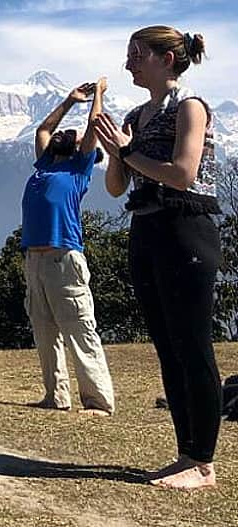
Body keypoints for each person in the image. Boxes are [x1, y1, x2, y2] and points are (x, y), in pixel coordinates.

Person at [95, 27, 222, 490]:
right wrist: (116, 154)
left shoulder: (190, 106)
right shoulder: (136, 114)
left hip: (186, 227)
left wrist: (129, 151)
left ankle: (203, 463)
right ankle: (186, 453)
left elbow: (184, 174)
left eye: (137, 55)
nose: (129, 64)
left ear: (167, 59)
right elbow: (115, 187)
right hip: (147, 228)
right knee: (168, 349)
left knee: (192, 346)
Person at [21, 79, 115, 415]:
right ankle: (55, 396)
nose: (65, 134)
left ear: (79, 148)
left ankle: (98, 401)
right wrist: (69, 100)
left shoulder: (79, 168)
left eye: (71, 135)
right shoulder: (46, 163)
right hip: (35, 258)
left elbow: (92, 127)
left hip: (64, 257)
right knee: (44, 333)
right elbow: (44, 129)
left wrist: (98, 95)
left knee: (79, 329)